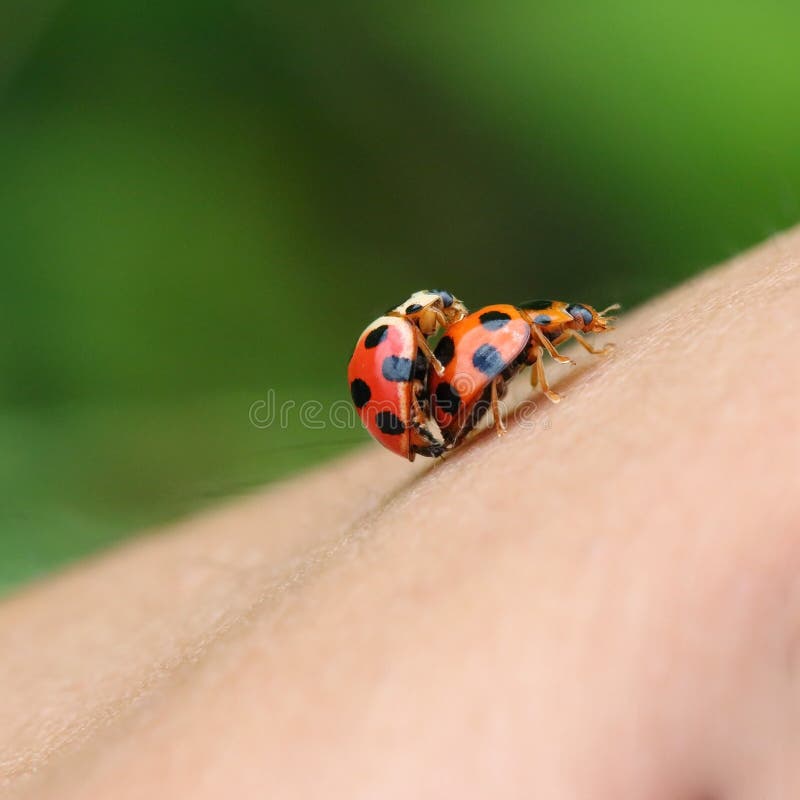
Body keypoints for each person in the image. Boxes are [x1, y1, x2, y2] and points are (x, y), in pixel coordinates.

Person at [1, 229, 799, 798]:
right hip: (423, 419)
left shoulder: (438, 345)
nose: (447, 319)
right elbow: (436, 373)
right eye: (438, 314)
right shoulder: (403, 340)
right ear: (421, 317)